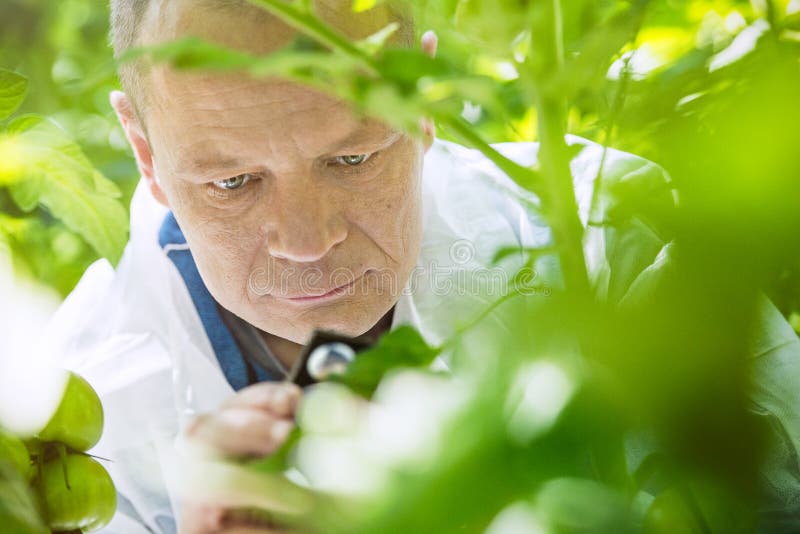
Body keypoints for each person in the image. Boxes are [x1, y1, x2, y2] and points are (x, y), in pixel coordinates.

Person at [38, 1, 799, 532]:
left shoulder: (606, 244)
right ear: (145, 153)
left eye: (352, 158)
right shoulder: (76, 417)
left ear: (424, 100)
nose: (308, 241)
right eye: (233, 182)